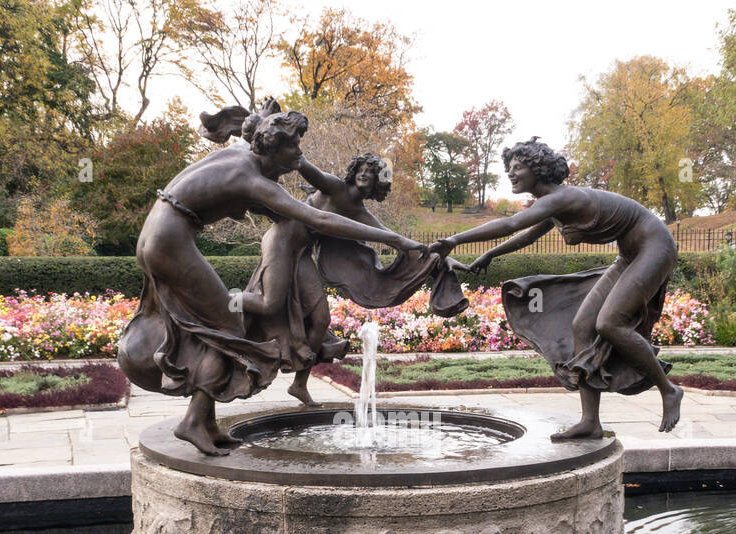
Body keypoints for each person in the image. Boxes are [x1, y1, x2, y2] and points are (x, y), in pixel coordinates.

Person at [118, 100, 425, 456]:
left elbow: (257, 129)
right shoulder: (254, 180)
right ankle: (193, 421)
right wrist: (395, 239)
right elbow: (320, 220)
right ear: (273, 148)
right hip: (170, 239)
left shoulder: (242, 155)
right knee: (231, 330)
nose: (299, 154)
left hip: (156, 233)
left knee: (222, 324)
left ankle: (204, 419)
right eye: (293, 146)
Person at [428, 138, 683, 437]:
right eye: (509, 167)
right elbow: (525, 236)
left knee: (610, 324)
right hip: (629, 254)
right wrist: (489, 255)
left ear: (538, 169)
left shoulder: (563, 198)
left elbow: (512, 224)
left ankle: (668, 390)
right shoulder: (552, 206)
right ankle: (590, 422)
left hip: (655, 247)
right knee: (582, 327)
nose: (511, 173)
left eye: (518, 167)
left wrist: (455, 240)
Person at [245, 152, 468, 406]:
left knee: (320, 319)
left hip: (302, 253)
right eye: (361, 168)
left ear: (378, 182)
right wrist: (290, 150)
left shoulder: (359, 212)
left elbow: (398, 241)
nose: (364, 173)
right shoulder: (334, 187)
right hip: (281, 241)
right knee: (269, 304)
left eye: (371, 172)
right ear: (353, 171)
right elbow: (306, 167)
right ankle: (231, 304)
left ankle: (299, 384)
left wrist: (441, 259)